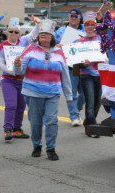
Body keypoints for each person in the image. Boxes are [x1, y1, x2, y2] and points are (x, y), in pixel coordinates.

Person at [14, 20, 73, 160]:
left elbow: (65, 75)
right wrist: (17, 65)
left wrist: (69, 96)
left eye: (46, 34)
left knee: (52, 120)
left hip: (53, 92)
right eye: (41, 34)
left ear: (52, 36)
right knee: (36, 122)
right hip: (32, 92)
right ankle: (37, 145)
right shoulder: (30, 49)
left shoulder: (59, 52)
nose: (43, 36)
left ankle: (51, 148)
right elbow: (19, 71)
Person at [0, 17, 35, 143]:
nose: (14, 34)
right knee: (11, 105)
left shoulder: (23, 41)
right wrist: (9, 70)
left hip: (22, 80)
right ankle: (8, 129)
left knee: (21, 106)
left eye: (16, 32)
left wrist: (38, 23)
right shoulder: (2, 46)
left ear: (19, 33)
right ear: (8, 32)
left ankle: (17, 129)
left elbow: (34, 34)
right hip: (8, 79)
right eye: (11, 31)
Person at [73, 11, 104, 137]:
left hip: (100, 73)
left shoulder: (101, 39)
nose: (90, 26)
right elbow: (73, 60)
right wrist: (82, 64)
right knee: (90, 101)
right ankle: (92, 128)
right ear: (84, 26)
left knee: (98, 101)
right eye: (87, 24)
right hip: (86, 74)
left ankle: (89, 121)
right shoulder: (78, 41)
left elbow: (108, 53)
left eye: (92, 24)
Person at [55, 9, 85, 127]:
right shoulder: (61, 31)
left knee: (84, 94)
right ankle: (74, 116)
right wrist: (57, 45)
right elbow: (53, 44)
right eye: (71, 15)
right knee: (72, 93)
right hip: (69, 65)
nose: (73, 18)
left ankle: (76, 109)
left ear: (79, 18)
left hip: (84, 65)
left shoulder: (85, 29)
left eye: (75, 16)